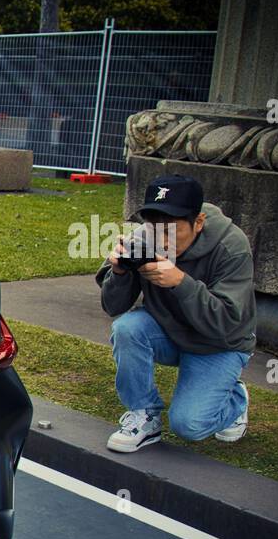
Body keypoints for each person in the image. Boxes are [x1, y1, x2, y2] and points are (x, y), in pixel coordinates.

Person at [97, 174, 256, 452]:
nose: (162, 238)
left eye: (172, 229)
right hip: (169, 332)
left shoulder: (231, 246)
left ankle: (235, 398)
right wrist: (120, 272)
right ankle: (143, 415)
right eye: (154, 227)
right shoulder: (143, 239)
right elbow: (113, 307)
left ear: (199, 222)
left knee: (189, 426)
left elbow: (227, 321)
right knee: (127, 328)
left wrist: (180, 282)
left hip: (218, 344)